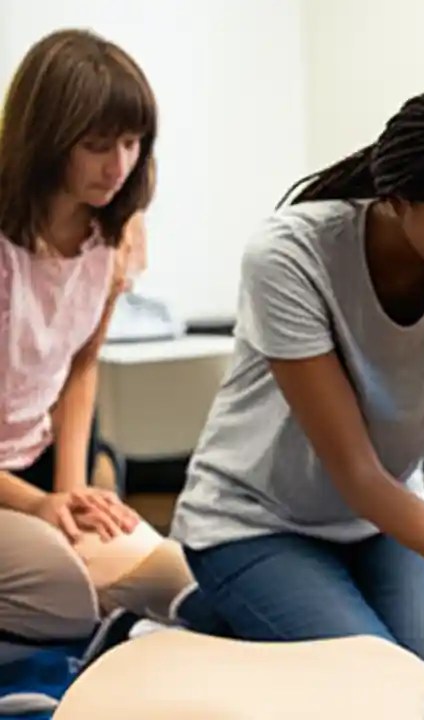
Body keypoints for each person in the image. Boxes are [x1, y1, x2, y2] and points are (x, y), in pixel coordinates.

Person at [169, 89, 424, 682]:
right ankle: (212, 610)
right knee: (391, 691)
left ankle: (231, 615)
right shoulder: (290, 256)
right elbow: (357, 473)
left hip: (383, 517)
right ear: (396, 202)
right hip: (255, 521)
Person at [0, 29, 204, 648]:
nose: (118, 166)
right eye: (96, 147)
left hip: (35, 462)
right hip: (10, 488)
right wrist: (36, 507)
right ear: (46, 139)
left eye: (131, 143)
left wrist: (70, 492)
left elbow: (81, 363)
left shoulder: (115, 235)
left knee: (187, 585)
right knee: (62, 592)